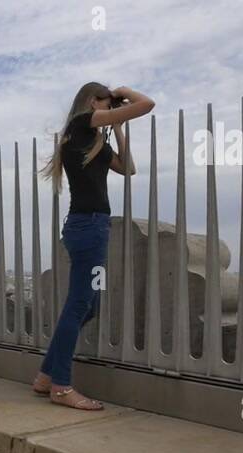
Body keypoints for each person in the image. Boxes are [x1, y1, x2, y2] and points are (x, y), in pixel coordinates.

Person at [34, 83, 154, 410]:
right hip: (87, 227)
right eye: (107, 103)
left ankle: (46, 376)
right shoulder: (80, 123)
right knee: (79, 305)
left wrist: (116, 125)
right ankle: (61, 386)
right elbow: (147, 104)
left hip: (92, 227)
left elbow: (127, 169)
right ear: (92, 102)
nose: (111, 107)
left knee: (88, 306)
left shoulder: (95, 140)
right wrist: (124, 92)